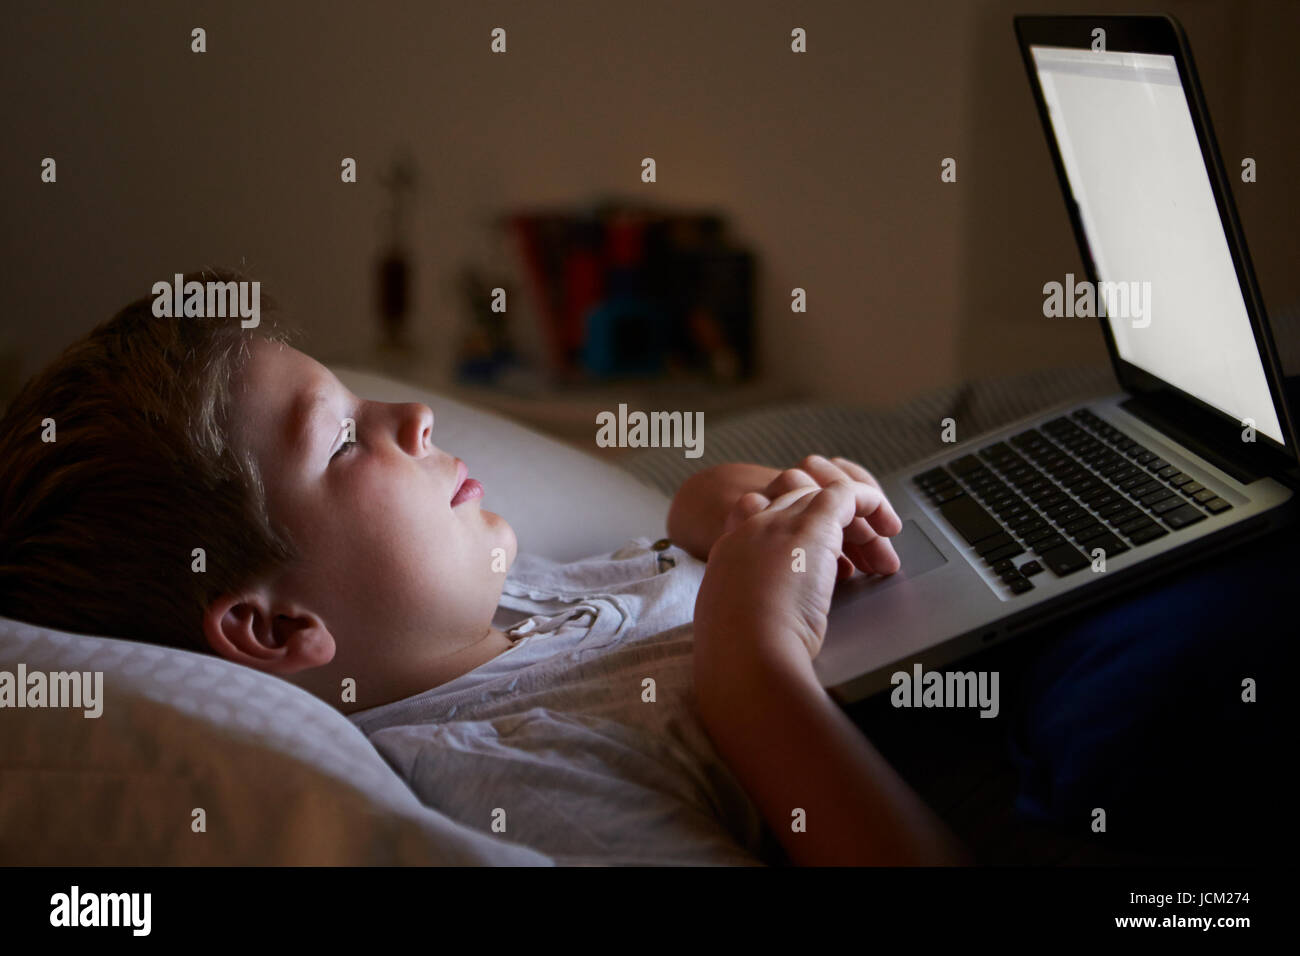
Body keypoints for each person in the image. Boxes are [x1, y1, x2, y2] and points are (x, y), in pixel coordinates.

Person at [0, 268, 964, 866]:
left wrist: (719, 506)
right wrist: (755, 663)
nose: (410, 417)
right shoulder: (510, 777)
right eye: (340, 440)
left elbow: (655, 558)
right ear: (279, 629)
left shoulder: (500, 600)